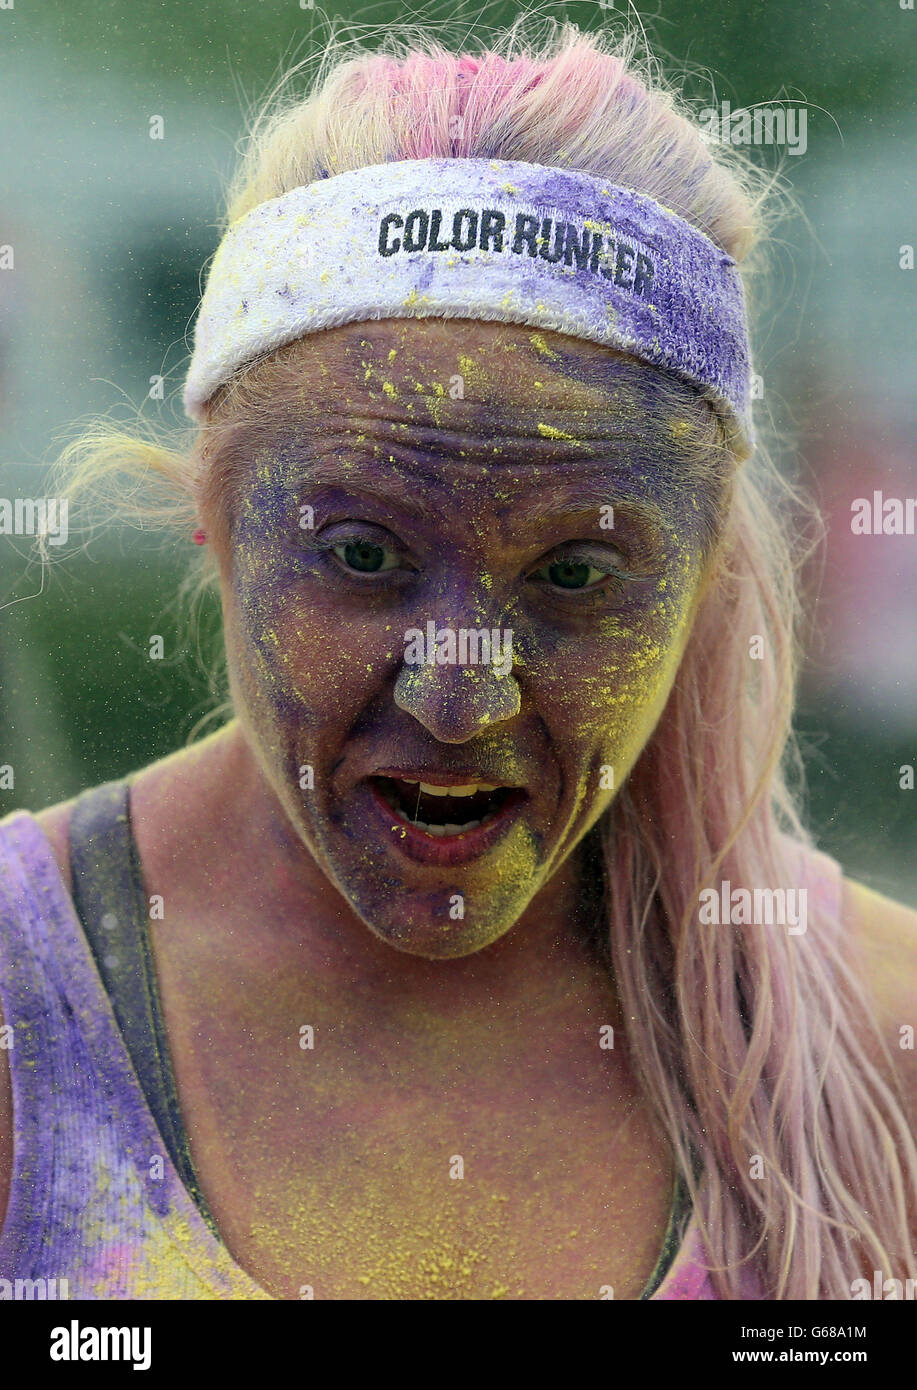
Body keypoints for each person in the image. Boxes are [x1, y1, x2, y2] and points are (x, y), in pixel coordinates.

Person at [1, 17, 915, 1301]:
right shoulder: (25, 1022)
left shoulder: (881, 1053)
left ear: (704, 577)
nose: (457, 694)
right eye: (364, 556)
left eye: (576, 577)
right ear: (212, 516)